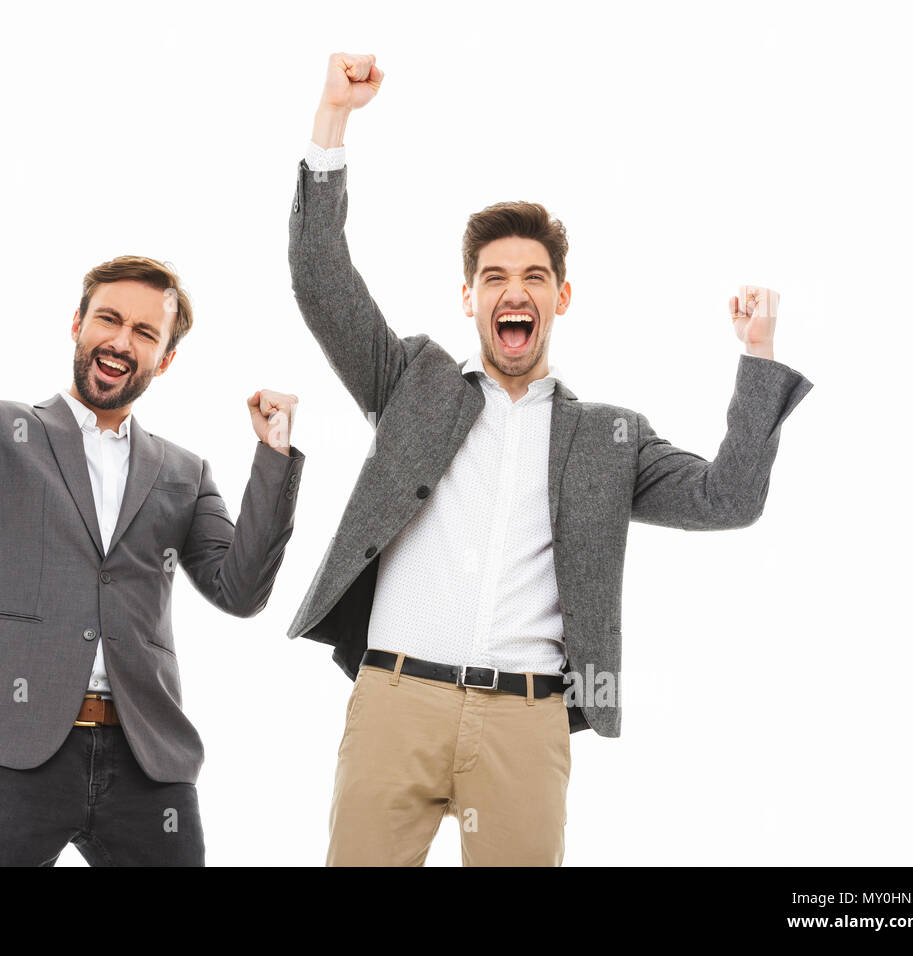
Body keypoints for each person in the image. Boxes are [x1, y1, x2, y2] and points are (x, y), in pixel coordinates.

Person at [286, 53, 814, 866]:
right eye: (493, 276)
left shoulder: (609, 436)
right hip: (396, 702)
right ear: (471, 298)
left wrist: (759, 355)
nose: (514, 290)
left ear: (560, 297)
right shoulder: (412, 382)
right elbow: (322, 279)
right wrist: (332, 119)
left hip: (526, 726)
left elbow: (729, 497)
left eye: (534, 276)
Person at [0, 250, 304, 865]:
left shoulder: (184, 472)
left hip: (145, 754)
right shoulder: (3, 427)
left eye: (145, 332)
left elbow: (240, 592)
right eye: (109, 319)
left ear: (166, 358)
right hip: (12, 745)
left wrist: (275, 457)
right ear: (78, 324)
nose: (121, 341)